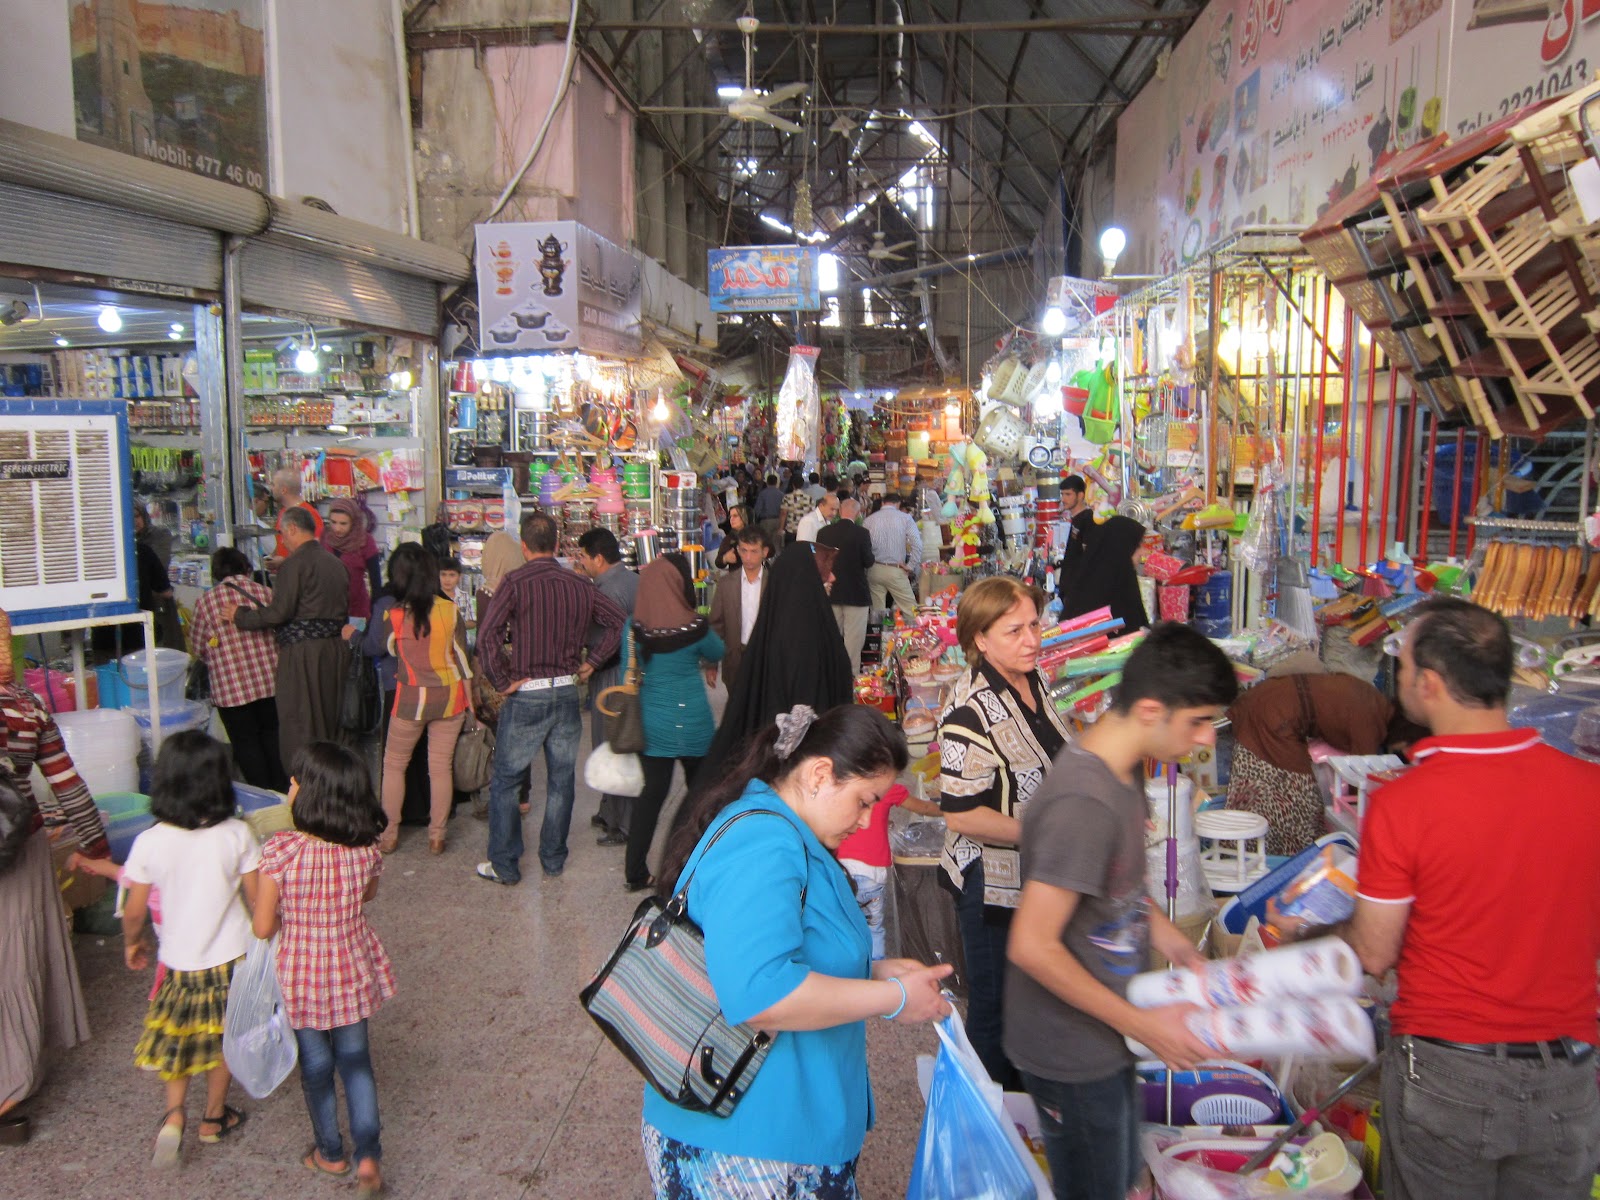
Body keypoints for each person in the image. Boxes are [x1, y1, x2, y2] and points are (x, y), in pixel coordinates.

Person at [1331, 599, 1600, 1200]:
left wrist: (1308, 943)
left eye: (1399, 667)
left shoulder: (1407, 805)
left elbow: (1374, 953)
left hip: (1449, 1072)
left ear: (1428, 684)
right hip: (1570, 1075)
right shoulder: (1589, 789)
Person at [642, 704, 953, 1196]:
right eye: (865, 800)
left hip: (778, 1125)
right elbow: (762, 994)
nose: (869, 818)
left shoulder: (789, 832)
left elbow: (791, 949)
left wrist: (872, 972)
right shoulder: (764, 842)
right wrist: (893, 997)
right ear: (819, 774)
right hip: (749, 1144)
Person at [1006, 623, 1239, 1199]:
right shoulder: (1083, 802)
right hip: (1070, 1047)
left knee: (1116, 1172)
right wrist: (1142, 1026)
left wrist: (1177, 944)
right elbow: (1032, 945)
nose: (1207, 739)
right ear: (1151, 709)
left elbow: (1123, 886)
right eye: (1198, 721)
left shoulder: (1124, 762)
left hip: (1110, 1030)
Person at [937, 576, 1075, 1088]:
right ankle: (988, 1128)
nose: (1032, 640)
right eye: (1014, 630)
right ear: (980, 640)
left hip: (1035, 878)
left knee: (1029, 1001)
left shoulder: (1033, 682)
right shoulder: (968, 712)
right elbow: (961, 815)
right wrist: (1044, 830)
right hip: (990, 888)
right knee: (994, 1010)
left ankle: (1023, 1113)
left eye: (1035, 625)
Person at [253, 742, 394, 1197]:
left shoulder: (281, 851)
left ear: (310, 795)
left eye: (294, 782)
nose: (289, 787)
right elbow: (367, 897)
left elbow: (261, 926)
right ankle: (368, 1157)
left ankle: (330, 1153)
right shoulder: (365, 850)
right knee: (357, 1062)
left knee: (316, 1065)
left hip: (301, 973)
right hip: (350, 964)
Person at [121, 731, 261, 1168]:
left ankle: (174, 1115)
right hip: (231, 958)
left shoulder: (150, 841)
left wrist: (133, 942)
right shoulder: (237, 833)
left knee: (179, 1042)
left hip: (179, 963)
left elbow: (134, 907)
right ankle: (214, 1117)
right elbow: (257, 901)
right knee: (225, 1042)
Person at [474, 513, 625, 885]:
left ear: (524, 547)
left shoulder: (514, 582)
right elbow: (618, 620)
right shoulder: (578, 584)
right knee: (561, 779)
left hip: (527, 694)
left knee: (507, 781)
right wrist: (591, 662)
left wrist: (502, 678)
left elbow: (487, 636)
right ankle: (553, 858)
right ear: (558, 545)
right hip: (566, 691)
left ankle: (505, 865)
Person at [0, 611, 104, 1146]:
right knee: (14, 960)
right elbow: (65, 783)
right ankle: (8, 1085)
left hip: (17, 848)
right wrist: (97, 843)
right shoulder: (25, 707)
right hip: (15, 851)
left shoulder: (24, 706)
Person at [698, 542, 853, 775]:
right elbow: (805, 708)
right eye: (823, 572)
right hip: (801, 767)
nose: (832, 577)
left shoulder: (779, 627)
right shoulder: (804, 633)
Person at [620, 554, 724, 894]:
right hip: (694, 723)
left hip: (654, 725)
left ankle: (635, 872)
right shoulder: (695, 626)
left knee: (649, 798)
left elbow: (627, 665)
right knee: (702, 797)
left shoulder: (634, 628)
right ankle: (700, 861)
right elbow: (718, 649)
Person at [1225, 660, 1401, 855]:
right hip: (1273, 718)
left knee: (1262, 793)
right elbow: (1361, 777)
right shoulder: (1370, 721)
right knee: (1299, 800)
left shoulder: (1371, 698)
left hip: (1266, 704)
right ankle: (1288, 861)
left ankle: (1250, 852)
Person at [233, 506, 350, 771]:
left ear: (293, 529)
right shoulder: (336, 564)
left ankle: (306, 787)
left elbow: (278, 613)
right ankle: (331, 782)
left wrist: (241, 616)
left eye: (282, 533)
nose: (282, 540)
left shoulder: (293, 565)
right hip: (335, 651)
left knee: (301, 723)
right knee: (330, 721)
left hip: (303, 655)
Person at [377, 545, 472, 856]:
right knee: (440, 767)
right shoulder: (449, 610)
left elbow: (391, 649)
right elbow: (462, 662)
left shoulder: (394, 615)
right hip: (449, 698)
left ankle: (389, 834)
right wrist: (473, 705)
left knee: (393, 765)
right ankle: (437, 836)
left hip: (411, 699)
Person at [189, 547, 285, 791]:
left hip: (232, 689)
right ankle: (282, 793)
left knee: (245, 743)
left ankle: (261, 793)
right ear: (246, 568)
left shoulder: (206, 601)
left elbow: (199, 644)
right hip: (271, 681)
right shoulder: (266, 593)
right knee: (272, 736)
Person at [574, 528, 639, 844]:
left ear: (598, 558)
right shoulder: (632, 580)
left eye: (583, 557)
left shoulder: (607, 591)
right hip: (630, 675)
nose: (581, 562)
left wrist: (592, 663)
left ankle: (621, 823)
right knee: (616, 744)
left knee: (613, 746)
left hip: (612, 677)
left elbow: (613, 637)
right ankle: (609, 811)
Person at [1058, 512, 1149, 634]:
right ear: (1122, 548)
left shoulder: (1120, 581)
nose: (1143, 552)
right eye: (1138, 546)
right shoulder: (1101, 598)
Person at [707, 526, 770, 693]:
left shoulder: (775, 584)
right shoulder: (726, 584)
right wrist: (711, 663)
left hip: (765, 660)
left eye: (754, 551)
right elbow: (716, 625)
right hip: (735, 659)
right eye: (743, 551)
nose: (748, 557)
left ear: (765, 552)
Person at [817, 496, 875, 675]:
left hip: (830, 592)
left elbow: (819, 562)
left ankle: (829, 677)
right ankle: (850, 682)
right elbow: (868, 561)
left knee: (830, 638)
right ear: (857, 514)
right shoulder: (862, 533)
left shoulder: (824, 532)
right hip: (856, 594)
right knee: (853, 643)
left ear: (840, 512)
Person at [322, 498, 380, 630]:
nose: (337, 528)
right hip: (328, 610)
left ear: (353, 522)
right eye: (333, 522)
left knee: (354, 646)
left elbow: (376, 582)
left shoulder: (365, 541)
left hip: (357, 610)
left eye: (343, 523)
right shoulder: (325, 537)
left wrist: (375, 613)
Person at [863, 493, 923, 620]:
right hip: (896, 569)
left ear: (883, 503)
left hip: (874, 569)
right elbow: (917, 544)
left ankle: (880, 637)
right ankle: (915, 636)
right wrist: (911, 565)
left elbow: (864, 547)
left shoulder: (868, 520)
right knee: (910, 609)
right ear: (898, 504)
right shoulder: (905, 518)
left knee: (877, 611)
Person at [267, 467, 324, 571]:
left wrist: (284, 561)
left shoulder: (309, 514)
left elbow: (314, 551)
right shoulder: (283, 512)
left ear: (284, 490)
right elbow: (280, 542)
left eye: (273, 484)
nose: (271, 488)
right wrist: (272, 556)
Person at [713, 505, 760, 571]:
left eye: (735, 516)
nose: (731, 519)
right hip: (736, 578)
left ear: (744, 517)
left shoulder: (757, 535)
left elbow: (770, 552)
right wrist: (725, 558)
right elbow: (718, 562)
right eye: (730, 516)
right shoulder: (729, 538)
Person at [753, 473, 784, 544]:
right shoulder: (781, 494)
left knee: (765, 542)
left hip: (765, 521)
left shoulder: (762, 494)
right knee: (776, 543)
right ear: (776, 482)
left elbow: (757, 509)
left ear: (767, 482)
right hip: (778, 520)